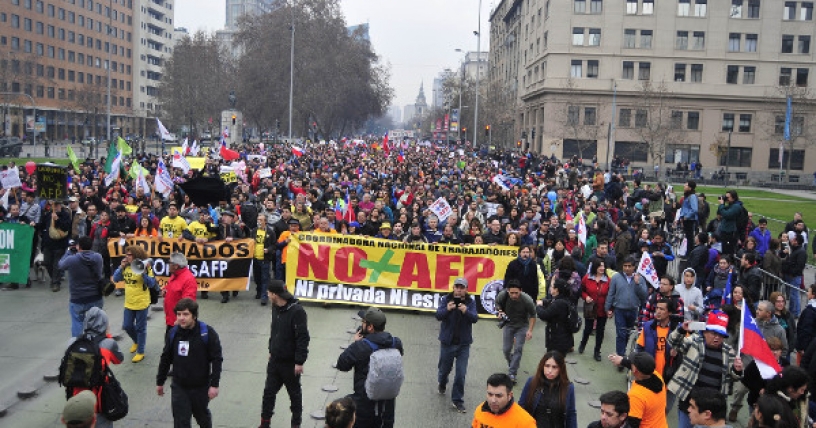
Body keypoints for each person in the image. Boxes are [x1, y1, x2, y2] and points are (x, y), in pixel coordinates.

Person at [667, 311, 744, 428]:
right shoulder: (694, 343)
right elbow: (673, 342)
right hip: (689, 402)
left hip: (712, 408)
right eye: (714, 333)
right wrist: (682, 330)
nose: (717, 338)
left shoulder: (729, 352)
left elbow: (734, 377)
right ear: (705, 332)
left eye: (720, 335)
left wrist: (737, 370)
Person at [156, 298, 224, 428]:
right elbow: (166, 358)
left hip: (201, 387)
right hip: (179, 386)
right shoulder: (173, 333)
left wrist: (214, 385)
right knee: (181, 422)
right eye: (179, 314)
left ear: (194, 315)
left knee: (202, 417)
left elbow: (217, 359)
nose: (181, 318)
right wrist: (160, 381)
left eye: (185, 314)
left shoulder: (207, 333)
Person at [336, 307, 404, 428]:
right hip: (387, 407)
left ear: (370, 327)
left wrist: (356, 343)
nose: (361, 324)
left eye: (363, 322)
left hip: (364, 407)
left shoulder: (361, 347)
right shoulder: (396, 342)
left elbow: (342, 364)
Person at [259, 280, 310, 428]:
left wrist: (299, 361)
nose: (267, 295)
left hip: (290, 364)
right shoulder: (275, 308)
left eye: (269, 293)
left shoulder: (297, 312)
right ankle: (265, 423)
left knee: (294, 396)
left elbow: (303, 337)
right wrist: (271, 349)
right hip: (275, 361)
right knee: (268, 394)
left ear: (275, 294)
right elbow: (274, 330)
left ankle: (295, 424)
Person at [64, 307, 123, 428]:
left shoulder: (72, 342)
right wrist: (108, 335)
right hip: (99, 398)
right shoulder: (108, 343)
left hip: (76, 397)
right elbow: (119, 359)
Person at [435, 277, 478, 413]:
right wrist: (447, 309)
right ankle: (442, 383)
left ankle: (457, 400)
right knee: (444, 370)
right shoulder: (446, 300)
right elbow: (438, 315)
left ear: (466, 290)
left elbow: (475, 318)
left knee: (461, 373)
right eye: (457, 287)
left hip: (463, 345)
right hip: (447, 343)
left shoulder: (470, 302)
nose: (459, 290)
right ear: (453, 288)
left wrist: (466, 311)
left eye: (462, 288)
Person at [112, 245, 157, 363]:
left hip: (142, 302)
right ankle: (137, 341)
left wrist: (143, 273)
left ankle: (140, 352)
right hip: (129, 302)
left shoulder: (146, 267)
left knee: (140, 328)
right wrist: (121, 267)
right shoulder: (125, 267)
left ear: (136, 256)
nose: (126, 257)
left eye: (129, 255)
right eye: (126, 254)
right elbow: (116, 279)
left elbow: (151, 283)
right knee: (127, 325)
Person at [59, 236, 105, 337]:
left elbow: (61, 265)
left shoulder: (71, 260)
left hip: (77, 298)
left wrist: (68, 252)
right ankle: (95, 343)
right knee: (96, 321)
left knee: (77, 322)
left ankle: (78, 345)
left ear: (78, 246)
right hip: (95, 296)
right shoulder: (97, 257)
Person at [518, 351, 577, 428]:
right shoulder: (532, 382)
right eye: (547, 366)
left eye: (554, 367)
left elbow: (571, 414)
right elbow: (521, 407)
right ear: (542, 366)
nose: (550, 371)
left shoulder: (568, 387)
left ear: (561, 369)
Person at [605, 255, 649, 358]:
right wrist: (608, 308)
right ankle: (620, 356)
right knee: (621, 334)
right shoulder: (616, 278)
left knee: (627, 333)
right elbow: (611, 293)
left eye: (629, 266)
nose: (627, 268)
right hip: (619, 309)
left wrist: (638, 284)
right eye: (625, 266)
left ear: (634, 267)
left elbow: (644, 296)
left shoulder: (640, 279)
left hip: (633, 310)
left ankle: (622, 352)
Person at [495, 280, 538, 382]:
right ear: (508, 291)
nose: (514, 295)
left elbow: (533, 315)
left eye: (516, 293)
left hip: (522, 326)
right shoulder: (503, 295)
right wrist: (500, 311)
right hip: (508, 325)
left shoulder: (527, 299)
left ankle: (512, 373)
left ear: (521, 291)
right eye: (511, 293)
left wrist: (530, 330)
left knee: (518, 348)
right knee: (506, 350)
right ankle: (513, 362)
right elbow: (497, 303)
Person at [611, 352, 667, 428]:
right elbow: (638, 370)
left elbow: (632, 424)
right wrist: (622, 361)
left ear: (635, 370)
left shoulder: (636, 396)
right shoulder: (658, 377)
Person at [471, 373, 537, 428]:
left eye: (499, 396)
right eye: (490, 394)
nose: (493, 400)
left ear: (510, 396)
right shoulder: (480, 410)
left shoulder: (525, 423)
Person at [580, 257, 611, 361]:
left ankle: (597, 351)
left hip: (603, 309)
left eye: (603, 266)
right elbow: (582, 290)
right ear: (595, 267)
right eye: (600, 266)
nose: (602, 268)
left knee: (600, 331)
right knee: (588, 329)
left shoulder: (608, 280)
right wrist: (586, 297)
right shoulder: (587, 278)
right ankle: (582, 344)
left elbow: (611, 295)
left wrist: (610, 309)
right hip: (590, 308)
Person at [39, 198, 72, 292]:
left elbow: (66, 227)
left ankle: (55, 282)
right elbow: (43, 226)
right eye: (54, 205)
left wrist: (57, 220)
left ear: (60, 205)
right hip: (48, 244)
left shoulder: (65, 215)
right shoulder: (48, 215)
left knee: (56, 264)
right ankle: (54, 278)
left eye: (57, 205)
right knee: (47, 262)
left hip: (59, 244)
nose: (55, 207)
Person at [536, 278, 575, 356]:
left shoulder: (559, 303)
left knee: (554, 362)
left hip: (557, 340)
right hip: (563, 338)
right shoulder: (564, 300)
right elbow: (550, 302)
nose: (550, 288)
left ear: (556, 289)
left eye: (551, 286)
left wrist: (539, 306)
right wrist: (543, 302)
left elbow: (544, 315)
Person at [162, 252, 198, 333]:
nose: (168, 264)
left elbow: (188, 304)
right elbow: (172, 286)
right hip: (171, 320)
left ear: (176, 266)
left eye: (169, 262)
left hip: (180, 324)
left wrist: (180, 320)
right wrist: (165, 289)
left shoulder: (188, 280)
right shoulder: (175, 274)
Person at [215, 210, 244, 303]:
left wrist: (233, 239)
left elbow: (242, 239)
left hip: (233, 255)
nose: (224, 218)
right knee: (223, 274)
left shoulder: (236, 228)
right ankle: (225, 295)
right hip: (221, 255)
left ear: (231, 218)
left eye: (226, 216)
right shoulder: (219, 227)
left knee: (233, 273)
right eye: (223, 216)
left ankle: (235, 288)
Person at [251, 215, 277, 306]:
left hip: (265, 259)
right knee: (257, 277)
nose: (259, 221)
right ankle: (259, 291)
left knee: (265, 278)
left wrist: (268, 250)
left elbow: (274, 245)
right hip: (255, 258)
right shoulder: (254, 231)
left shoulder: (270, 232)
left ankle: (264, 296)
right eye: (258, 219)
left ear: (265, 221)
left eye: (261, 220)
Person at [782, 234, 807, 316]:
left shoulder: (801, 252)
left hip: (795, 276)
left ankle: (795, 312)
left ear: (796, 241)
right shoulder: (795, 249)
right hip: (791, 275)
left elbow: (799, 266)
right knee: (793, 295)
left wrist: (793, 273)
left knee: (794, 295)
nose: (791, 240)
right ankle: (792, 311)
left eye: (793, 239)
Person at [716, 191, 743, 256]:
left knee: (728, 252)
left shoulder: (736, 206)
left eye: (727, 197)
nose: (726, 198)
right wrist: (722, 204)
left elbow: (727, 215)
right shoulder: (731, 206)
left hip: (730, 233)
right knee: (723, 250)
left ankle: (729, 263)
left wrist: (722, 205)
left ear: (733, 198)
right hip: (725, 232)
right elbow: (719, 214)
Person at [796, 284, 816, 365]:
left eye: (808, 291)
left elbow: (805, 330)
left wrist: (802, 348)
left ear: (813, 294)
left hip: (807, 349)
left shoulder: (810, 311)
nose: (807, 293)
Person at [678, 181, 699, 246]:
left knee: (690, 237)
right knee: (687, 237)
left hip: (689, 219)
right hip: (685, 219)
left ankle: (689, 253)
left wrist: (686, 216)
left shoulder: (692, 196)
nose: (684, 186)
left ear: (690, 188)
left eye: (686, 185)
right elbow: (684, 208)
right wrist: (681, 217)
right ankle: (688, 252)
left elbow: (694, 209)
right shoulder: (687, 196)